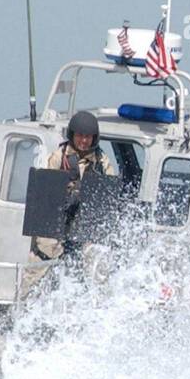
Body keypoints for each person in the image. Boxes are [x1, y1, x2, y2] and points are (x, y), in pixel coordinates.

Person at [21, 110, 118, 297]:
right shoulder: (59, 157)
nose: (84, 141)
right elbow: (45, 190)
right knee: (41, 257)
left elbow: (107, 193)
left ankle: (99, 304)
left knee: (97, 259)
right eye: (80, 136)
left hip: (85, 221)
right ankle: (24, 302)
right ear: (72, 135)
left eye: (88, 137)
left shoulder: (101, 161)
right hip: (56, 218)